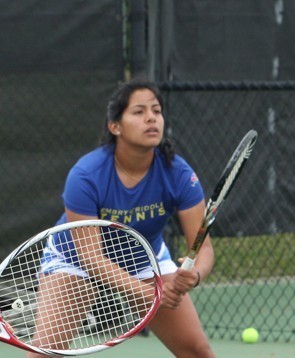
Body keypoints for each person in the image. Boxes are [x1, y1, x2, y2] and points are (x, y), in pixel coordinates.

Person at [28, 78, 215, 357]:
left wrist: (195, 275)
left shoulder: (179, 174)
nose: (151, 118)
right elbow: (90, 257)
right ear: (115, 126)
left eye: (156, 111)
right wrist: (151, 293)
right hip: (75, 261)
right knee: (43, 355)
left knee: (197, 351)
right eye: (139, 112)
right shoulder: (86, 175)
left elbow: (204, 248)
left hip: (144, 259)